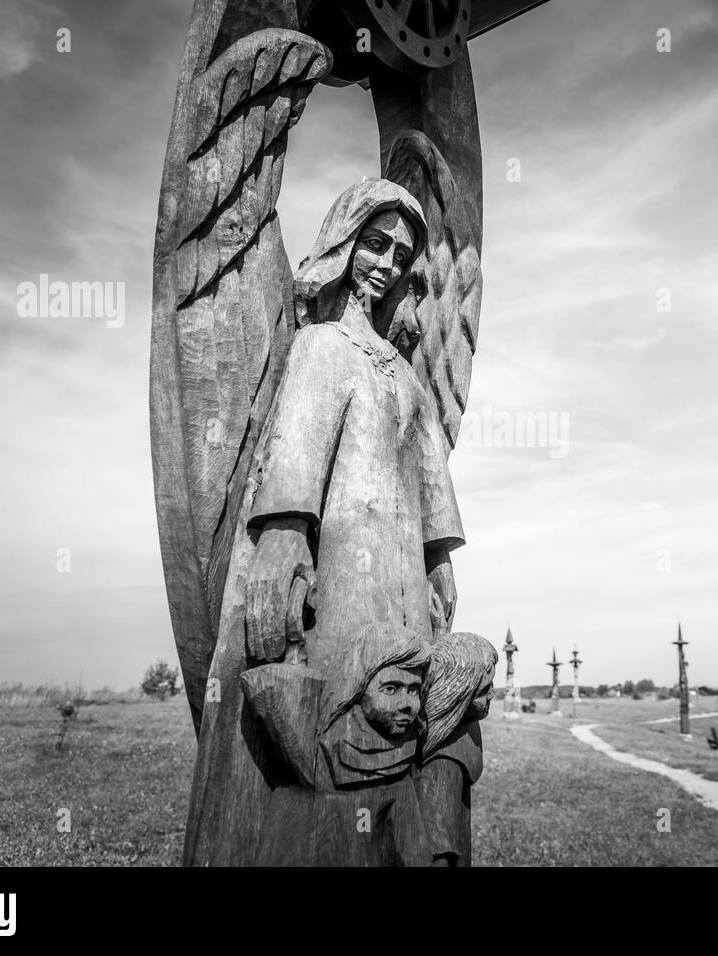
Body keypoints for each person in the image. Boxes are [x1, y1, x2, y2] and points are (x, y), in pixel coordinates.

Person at [182, 179, 466, 866]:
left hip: (401, 572)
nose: (388, 265)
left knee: (407, 715)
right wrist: (282, 540)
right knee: (342, 720)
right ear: (345, 244)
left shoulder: (406, 374)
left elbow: (432, 480)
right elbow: (296, 450)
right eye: (375, 244)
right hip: (341, 569)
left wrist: (438, 558)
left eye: (401, 255)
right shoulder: (322, 347)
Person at [417, 632, 498, 867]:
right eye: (484, 689)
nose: (492, 694)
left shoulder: (463, 727)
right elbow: (437, 846)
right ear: (458, 692)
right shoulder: (441, 764)